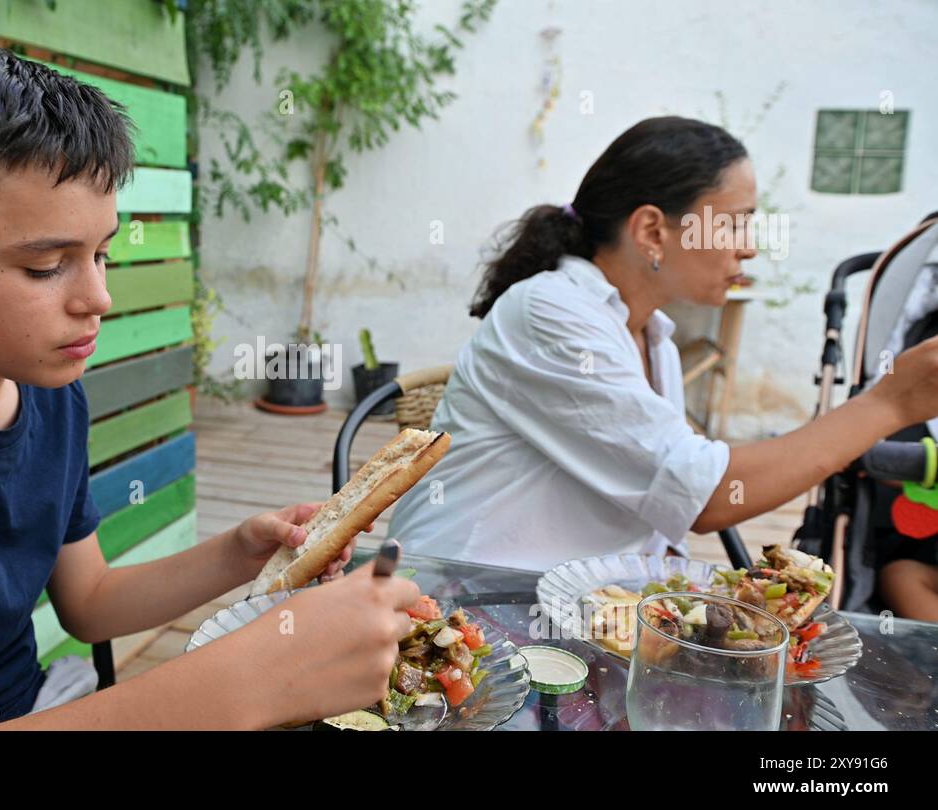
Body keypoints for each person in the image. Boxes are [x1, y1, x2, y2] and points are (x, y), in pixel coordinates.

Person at [0, 40, 418, 730]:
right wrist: (254, 678)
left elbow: (88, 599)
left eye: (102, 253)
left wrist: (240, 550)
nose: (99, 297)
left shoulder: (48, 390)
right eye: (47, 264)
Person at [389, 116, 938, 576]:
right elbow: (709, 496)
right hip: (459, 606)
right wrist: (887, 404)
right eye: (736, 224)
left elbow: (660, 506)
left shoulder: (654, 340)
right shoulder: (550, 312)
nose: (748, 249)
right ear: (652, 231)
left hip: (578, 605)